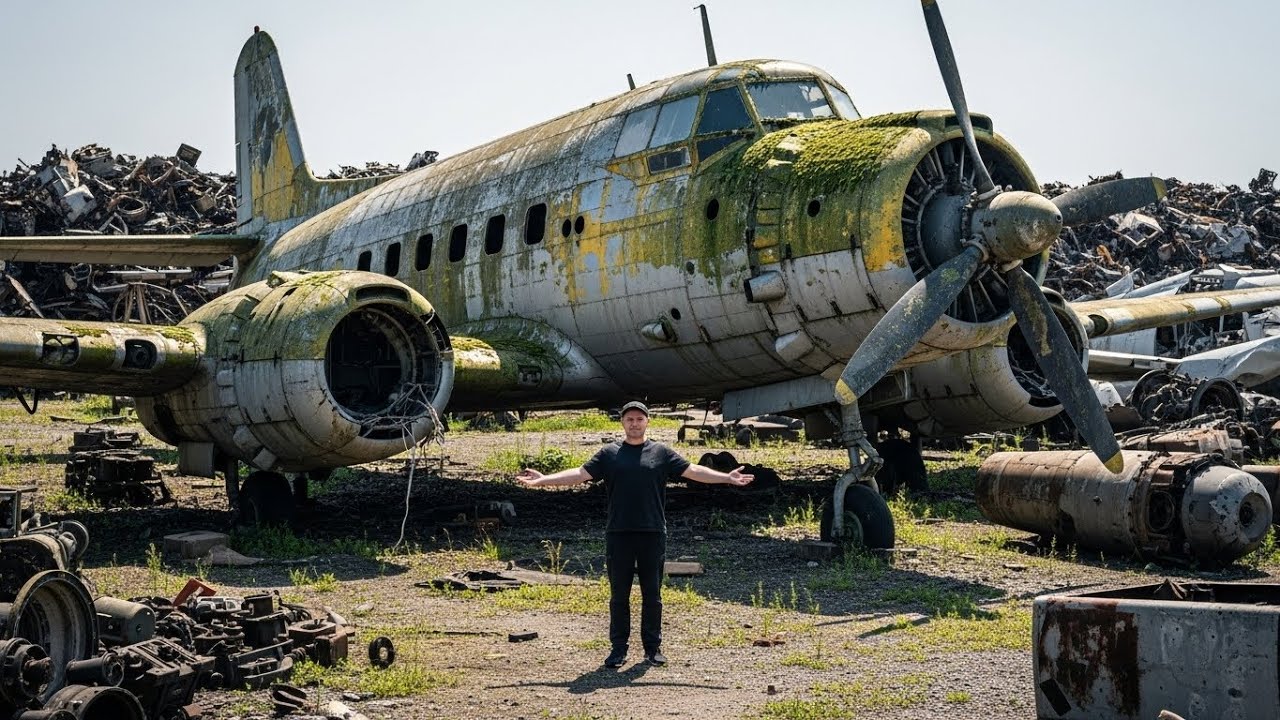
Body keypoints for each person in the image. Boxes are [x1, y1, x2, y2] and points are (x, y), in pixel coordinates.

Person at [516, 401, 754, 668]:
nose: (634, 424)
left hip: (652, 532)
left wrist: (726, 477)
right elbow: (580, 474)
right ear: (622, 422)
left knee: (652, 594)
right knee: (619, 595)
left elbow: (694, 471)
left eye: (639, 419)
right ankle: (618, 649)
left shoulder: (661, 452)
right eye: (629, 419)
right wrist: (544, 479)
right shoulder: (609, 454)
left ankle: (653, 648)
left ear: (647, 422)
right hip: (619, 533)